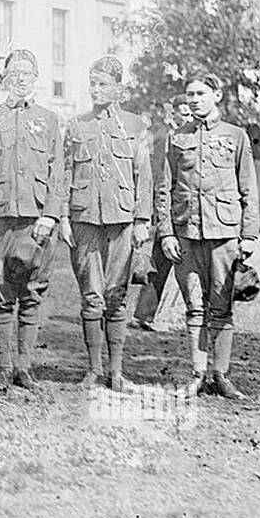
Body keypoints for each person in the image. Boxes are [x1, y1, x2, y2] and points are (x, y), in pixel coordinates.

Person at [154, 72, 259, 398]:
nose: (194, 99)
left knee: (222, 306)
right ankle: (198, 375)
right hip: (186, 233)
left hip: (225, 233)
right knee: (194, 307)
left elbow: (249, 189)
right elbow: (164, 190)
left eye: (201, 93)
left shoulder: (236, 136)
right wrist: (166, 233)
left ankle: (221, 375)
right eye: (189, 94)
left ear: (217, 95)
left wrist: (249, 235)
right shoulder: (176, 138)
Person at [0, 49, 65, 391]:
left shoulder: (49, 119)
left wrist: (51, 215)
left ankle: (24, 367)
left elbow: (59, 173)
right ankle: (2, 366)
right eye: (14, 73)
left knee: (31, 293)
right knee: (0, 290)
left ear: (35, 77)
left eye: (27, 73)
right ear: (5, 78)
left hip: (37, 221)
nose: (21, 78)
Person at [60, 56, 153, 393]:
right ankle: (94, 370)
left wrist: (142, 219)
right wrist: (62, 218)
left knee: (117, 297)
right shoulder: (76, 125)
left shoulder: (135, 126)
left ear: (118, 89)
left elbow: (143, 176)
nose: (96, 90)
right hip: (84, 219)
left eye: (103, 84)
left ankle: (116, 372)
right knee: (91, 297)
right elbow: (64, 173)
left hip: (122, 220)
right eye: (92, 83)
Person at [132, 97, 192, 330]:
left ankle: (185, 313)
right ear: (173, 114)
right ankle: (145, 314)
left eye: (189, 114)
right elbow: (159, 176)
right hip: (169, 205)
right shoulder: (166, 138)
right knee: (162, 260)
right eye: (183, 113)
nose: (187, 118)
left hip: (187, 207)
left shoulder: (193, 137)